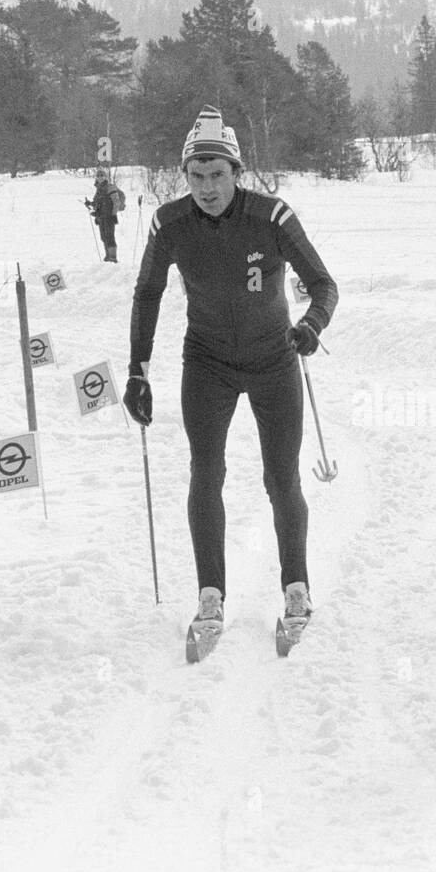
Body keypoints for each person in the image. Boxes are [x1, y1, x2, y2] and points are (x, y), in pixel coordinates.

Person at [123, 106, 338, 659]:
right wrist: (137, 370)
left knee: (280, 478)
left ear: (236, 172)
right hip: (207, 363)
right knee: (206, 473)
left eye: (217, 175)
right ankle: (211, 594)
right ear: (184, 176)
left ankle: (296, 589)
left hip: (273, 360)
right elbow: (147, 294)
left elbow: (323, 285)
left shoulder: (272, 217)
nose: (207, 188)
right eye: (196, 176)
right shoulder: (170, 223)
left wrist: (311, 325)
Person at [86, 170, 119, 262]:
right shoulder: (98, 189)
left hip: (109, 217)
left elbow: (116, 202)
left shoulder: (110, 187)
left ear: (105, 177)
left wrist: (113, 214)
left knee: (110, 237)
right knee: (103, 237)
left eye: (102, 175)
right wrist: (89, 204)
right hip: (101, 217)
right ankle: (108, 256)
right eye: (98, 176)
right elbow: (97, 203)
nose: (100, 177)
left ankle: (113, 257)